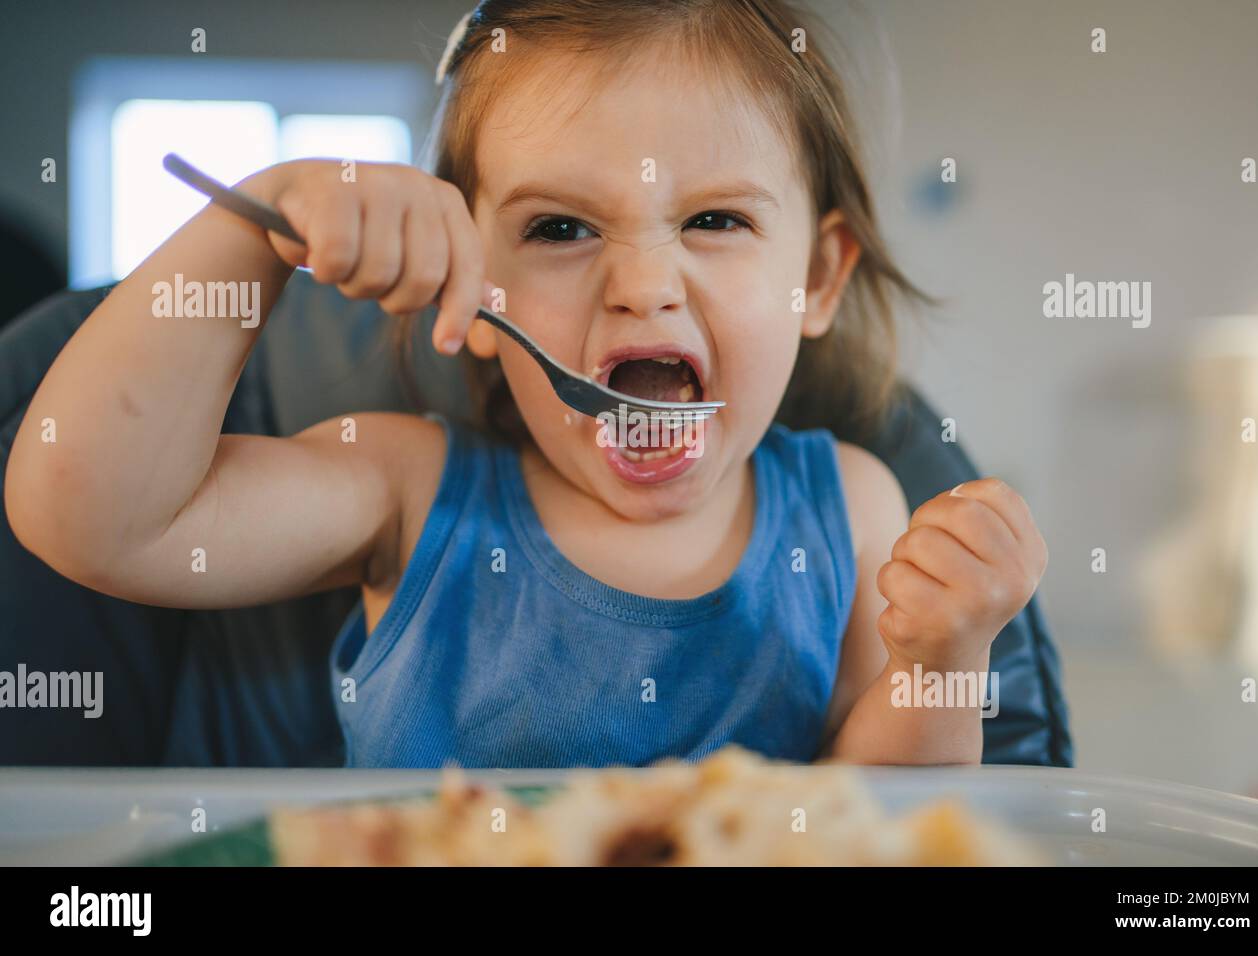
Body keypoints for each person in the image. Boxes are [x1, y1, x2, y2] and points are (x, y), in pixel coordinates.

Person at [5, 0, 1047, 769]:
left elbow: (880, 826)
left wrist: (944, 654)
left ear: (815, 277)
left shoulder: (855, 510)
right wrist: (259, 223)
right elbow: (96, 517)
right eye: (559, 228)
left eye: (714, 220)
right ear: (471, 274)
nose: (642, 286)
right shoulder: (407, 497)